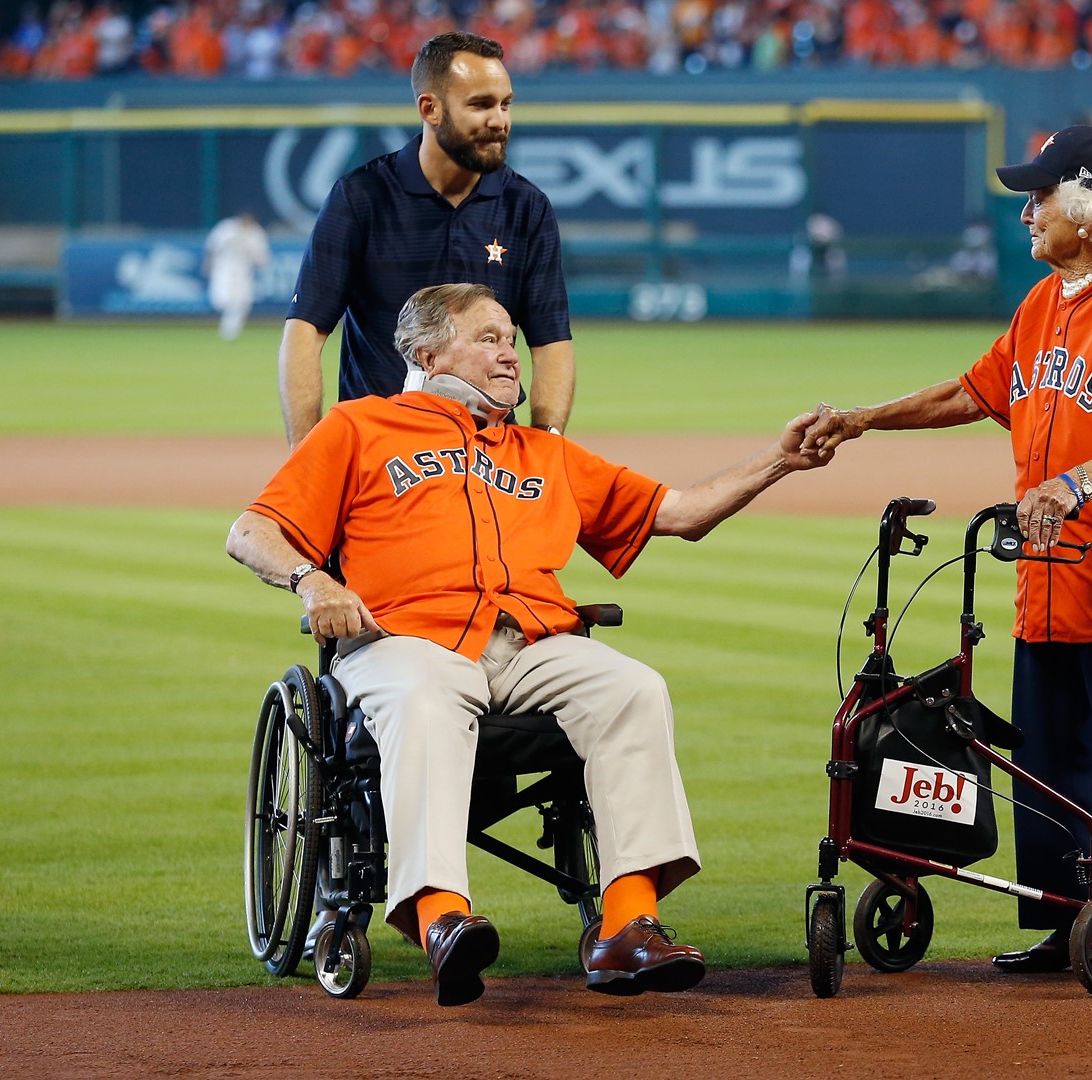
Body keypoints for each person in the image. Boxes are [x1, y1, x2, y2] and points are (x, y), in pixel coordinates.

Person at [227, 282, 835, 1006]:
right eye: (488, 338)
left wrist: (779, 459)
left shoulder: (542, 453)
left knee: (632, 688)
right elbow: (250, 531)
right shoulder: (360, 428)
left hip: (528, 641)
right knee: (427, 694)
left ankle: (626, 924)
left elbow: (680, 512)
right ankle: (441, 918)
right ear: (427, 351)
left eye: (511, 340)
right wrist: (311, 582)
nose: (510, 355)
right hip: (402, 639)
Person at [800, 125, 1092, 988]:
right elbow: (973, 390)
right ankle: (1067, 917)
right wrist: (861, 418)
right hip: (1049, 568)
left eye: (1039, 196)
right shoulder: (1047, 300)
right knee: (1046, 752)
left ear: (1087, 208)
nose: (1026, 210)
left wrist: (1074, 485)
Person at [278, 30, 574, 451]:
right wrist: (306, 454)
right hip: (378, 450)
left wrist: (547, 444)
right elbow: (306, 330)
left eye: (505, 104)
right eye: (480, 104)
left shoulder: (526, 206)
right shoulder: (361, 197)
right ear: (430, 108)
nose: (499, 120)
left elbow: (551, 343)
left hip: (488, 451)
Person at [202, 209, 272, 341]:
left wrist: (250, 251)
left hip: (243, 274)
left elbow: (263, 260)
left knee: (242, 303)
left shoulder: (257, 234)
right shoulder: (226, 228)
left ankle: (229, 332)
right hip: (223, 270)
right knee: (221, 300)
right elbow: (211, 248)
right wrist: (208, 264)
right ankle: (228, 327)